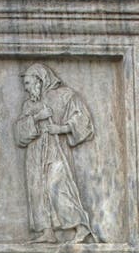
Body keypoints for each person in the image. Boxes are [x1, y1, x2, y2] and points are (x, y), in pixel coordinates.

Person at [14, 63, 96, 243]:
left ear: (39, 80)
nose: (26, 88)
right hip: (35, 153)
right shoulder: (29, 104)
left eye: (28, 83)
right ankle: (47, 231)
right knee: (37, 189)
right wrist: (37, 117)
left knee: (57, 186)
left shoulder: (65, 95)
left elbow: (84, 121)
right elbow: (19, 133)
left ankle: (81, 227)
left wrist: (61, 128)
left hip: (55, 150)